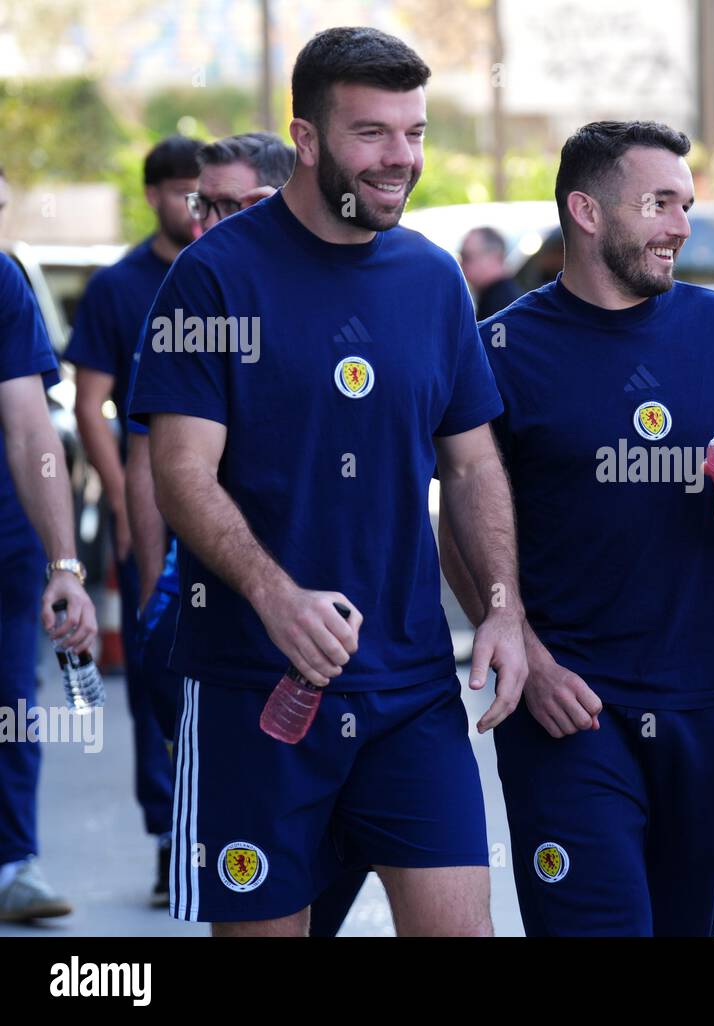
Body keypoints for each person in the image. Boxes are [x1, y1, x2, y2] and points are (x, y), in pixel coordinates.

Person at [129, 26, 526, 937]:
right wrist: (274, 594)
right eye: (373, 135)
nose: (401, 160)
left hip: (412, 686)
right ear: (306, 140)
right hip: (251, 688)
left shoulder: (433, 280)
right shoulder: (211, 279)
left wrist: (502, 608)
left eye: (415, 133)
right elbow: (180, 470)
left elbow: (470, 465)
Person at [441, 120, 714, 936]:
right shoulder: (499, 349)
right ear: (587, 211)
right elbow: (458, 528)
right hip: (569, 709)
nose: (681, 225)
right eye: (661, 203)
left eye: (686, 203)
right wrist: (526, 658)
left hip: (707, 704)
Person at [124, 129, 370, 935]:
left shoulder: (366, 283)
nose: (219, 221)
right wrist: (147, 583)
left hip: (385, 664)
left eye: (243, 205)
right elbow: (159, 464)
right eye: (209, 205)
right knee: (263, 898)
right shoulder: (193, 293)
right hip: (233, 648)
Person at [63, 135, 201, 907]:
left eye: (201, 191)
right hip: (147, 506)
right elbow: (92, 405)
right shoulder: (120, 285)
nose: (193, 205)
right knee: (156, 667)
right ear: (152, 195)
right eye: (180, 190)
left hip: (229, 510)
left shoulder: (229, 269)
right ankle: (166, 835)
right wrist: (121, 503)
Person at [0, 249, 99, 922]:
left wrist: (65, 564)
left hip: (4, 541)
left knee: (8, 699)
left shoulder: (1, 279)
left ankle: (12, 864)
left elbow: (32, 426)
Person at [459, 226, 522, 319]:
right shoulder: (493, 298)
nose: (461, 264)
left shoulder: (502, 305)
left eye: (466, 256)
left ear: (494, 256)